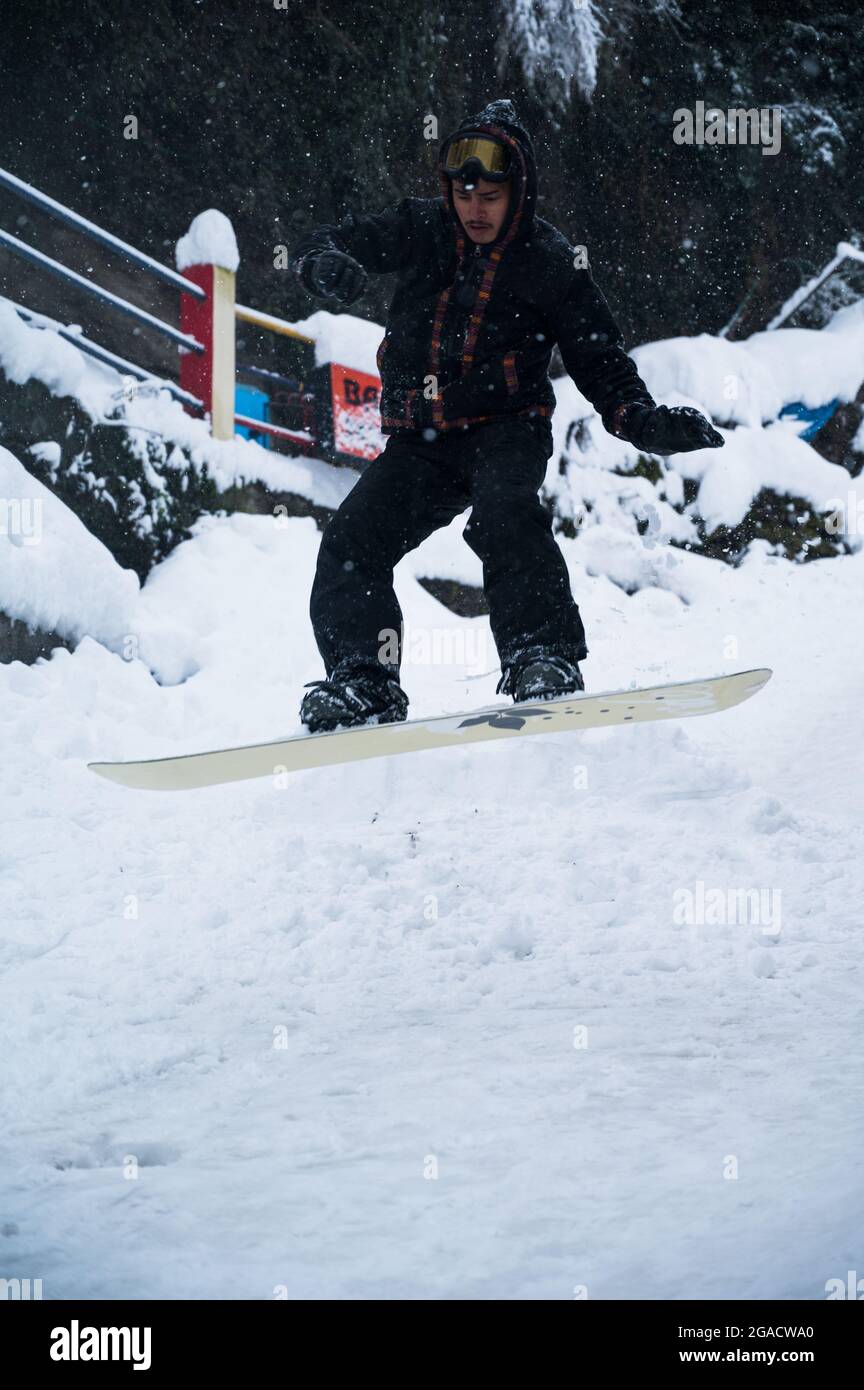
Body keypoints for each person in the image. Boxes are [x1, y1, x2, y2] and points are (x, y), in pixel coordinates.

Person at [291, 98, 723, 733]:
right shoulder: (421, 227)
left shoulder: (550, 261)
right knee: (353, 541)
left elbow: (599, 359)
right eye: (465, 195)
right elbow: (325, 239)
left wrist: (642, 420)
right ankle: (366, 683)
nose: (476, 210)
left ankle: (542, 658)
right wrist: (319, 263)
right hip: (424, 438)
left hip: (507, 429)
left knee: (505, 516)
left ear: (517, 192)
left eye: (490, 196)